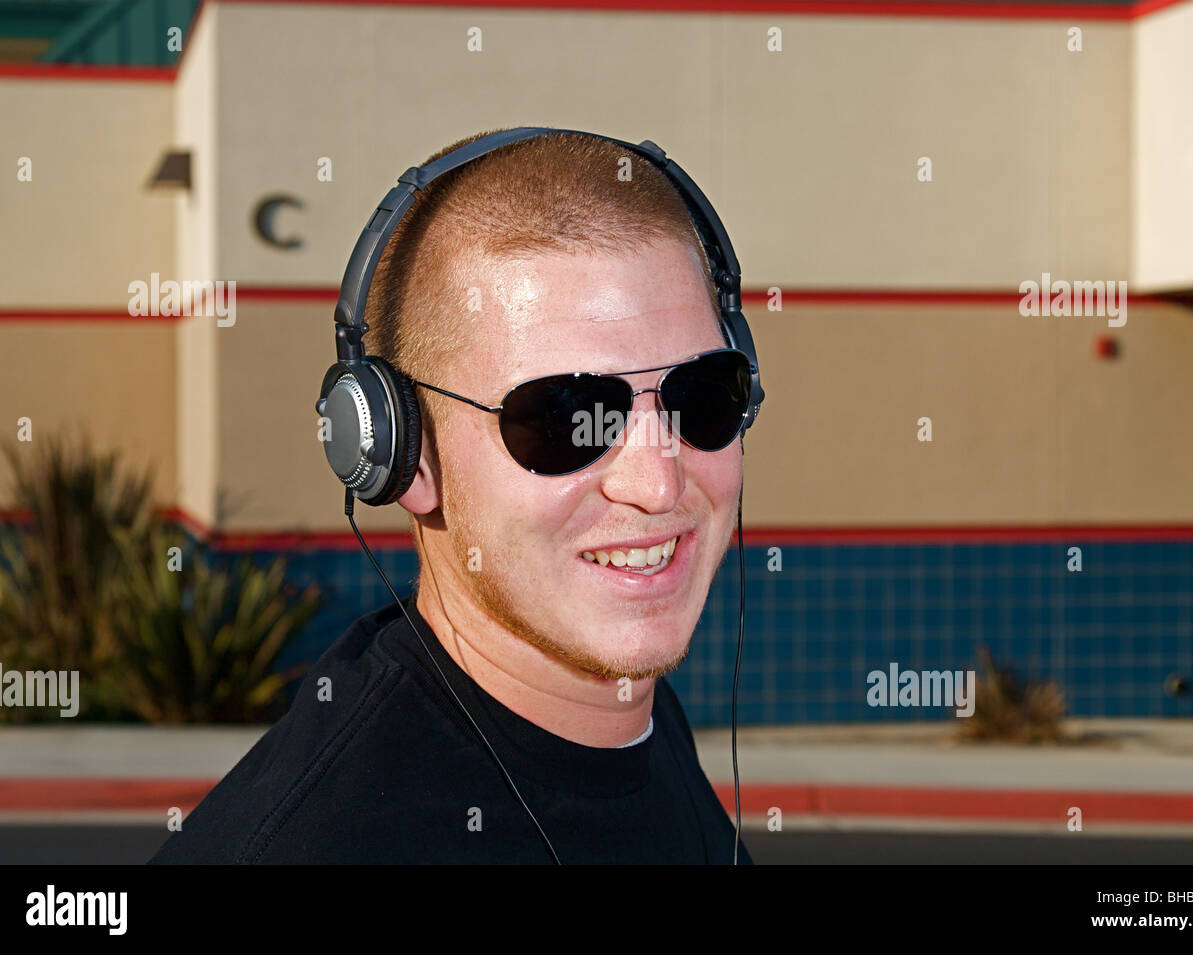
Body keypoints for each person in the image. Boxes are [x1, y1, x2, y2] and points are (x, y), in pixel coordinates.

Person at [150, 128, 755, 864]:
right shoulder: (314, 844)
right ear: (404, 455)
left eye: (701, 395)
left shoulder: (639, 728)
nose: (657, 482)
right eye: (563, 418)